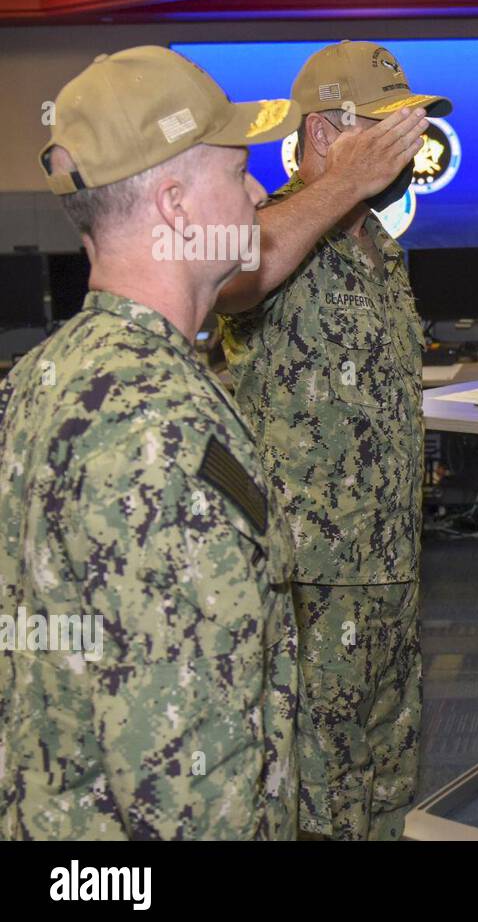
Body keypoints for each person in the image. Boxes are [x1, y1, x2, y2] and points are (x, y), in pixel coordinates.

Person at [0, 46, 301, 839]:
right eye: (238, 173)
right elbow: (188, 792)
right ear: (175, 205)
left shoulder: (40, 376)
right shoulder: (160, 428)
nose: (259, 191)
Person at [216, 41, 447, 840]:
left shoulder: (380, 250)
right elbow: (238, 273)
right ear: (323, 134)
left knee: (386, 764)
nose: (409, 144)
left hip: (390, 564)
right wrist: (343, 182)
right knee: (313, 785)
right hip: (310, 581)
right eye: (386, 128)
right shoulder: (265, 230)